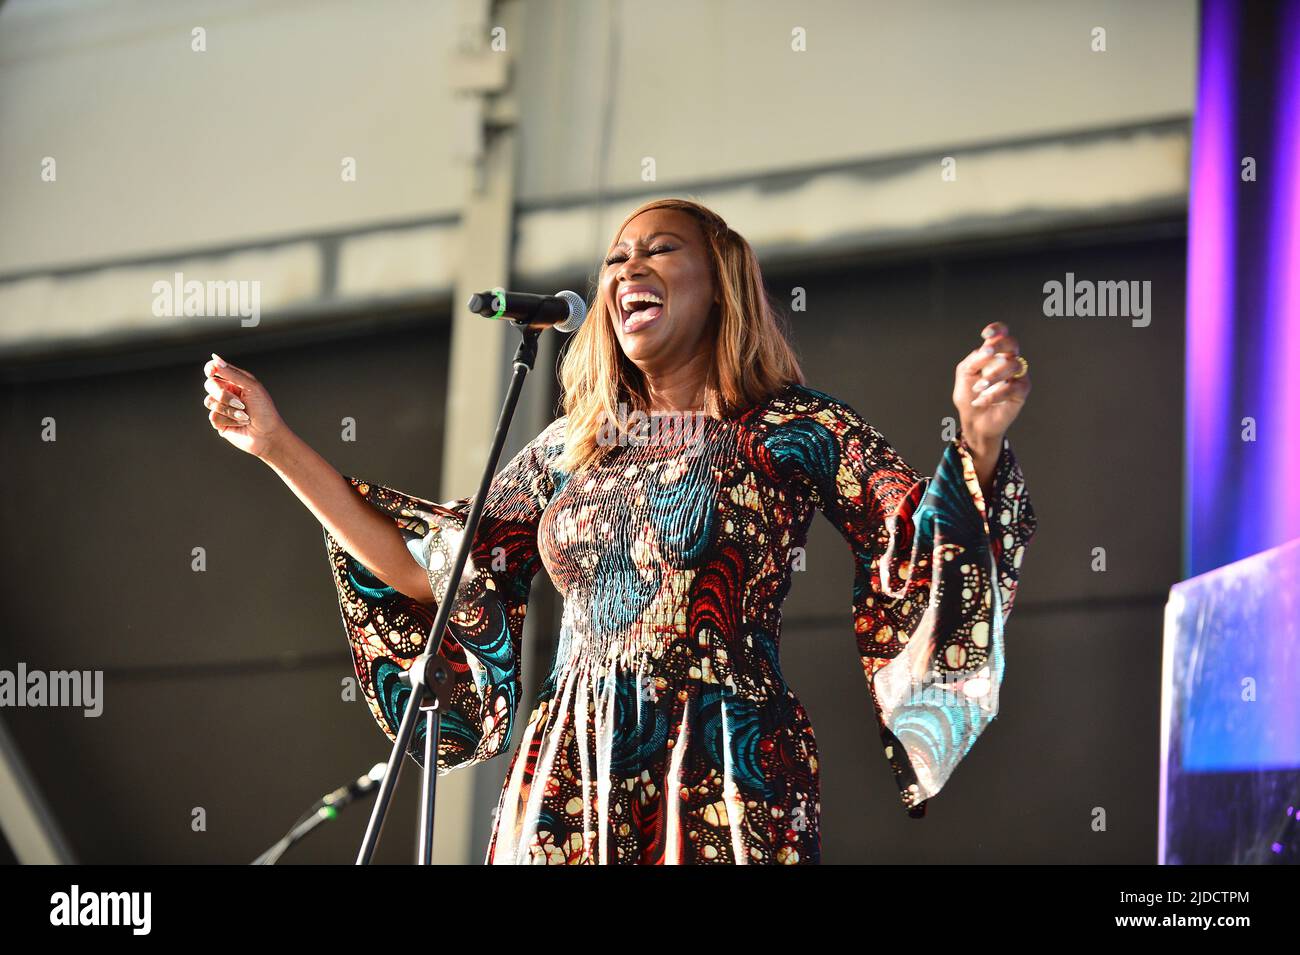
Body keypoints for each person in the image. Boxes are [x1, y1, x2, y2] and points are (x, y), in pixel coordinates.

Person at [200, 198, 1037, 864]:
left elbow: (916, 547)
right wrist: (277, 446)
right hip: (570, 762)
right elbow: (433, 572)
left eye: (659, 249)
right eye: (614, 258)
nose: (628, 265)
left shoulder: (794, 425)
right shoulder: (572, 447)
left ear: (720, 284)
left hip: (724, 759)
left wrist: (978, 441)